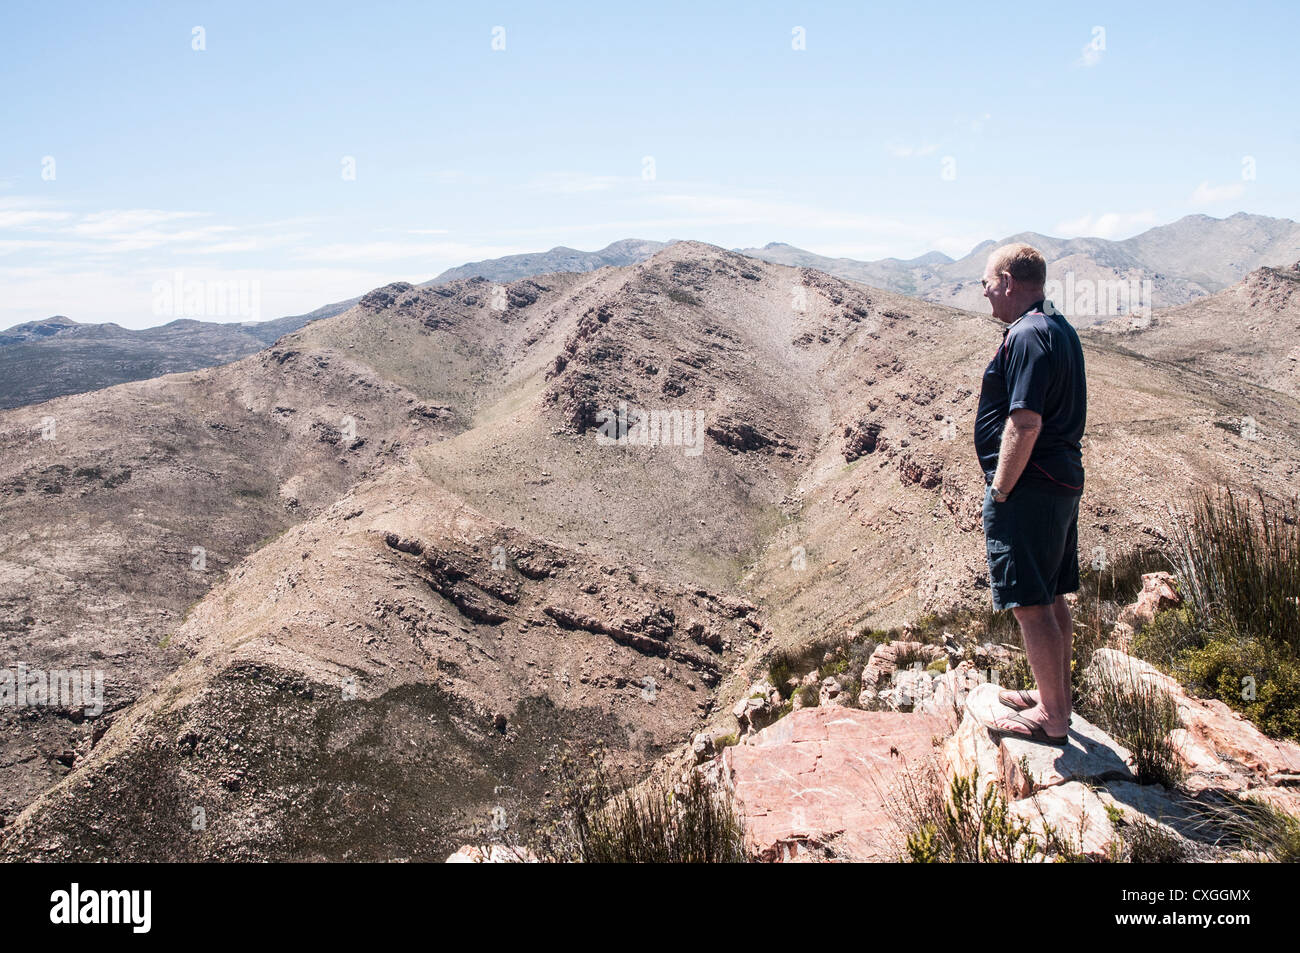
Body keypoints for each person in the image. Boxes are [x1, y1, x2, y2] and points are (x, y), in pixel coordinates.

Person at [972, 243, 1087, 744]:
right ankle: (1052, 700)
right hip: (1057, 481)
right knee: (1049, 594)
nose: (984, 293)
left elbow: (1025, 421)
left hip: (1031, 486)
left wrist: (1001, 490)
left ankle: (1053, 720)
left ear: (1008, 280)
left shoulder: (1028, 335)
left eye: (987, 283)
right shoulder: (1057, 327)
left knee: (1030, 606)